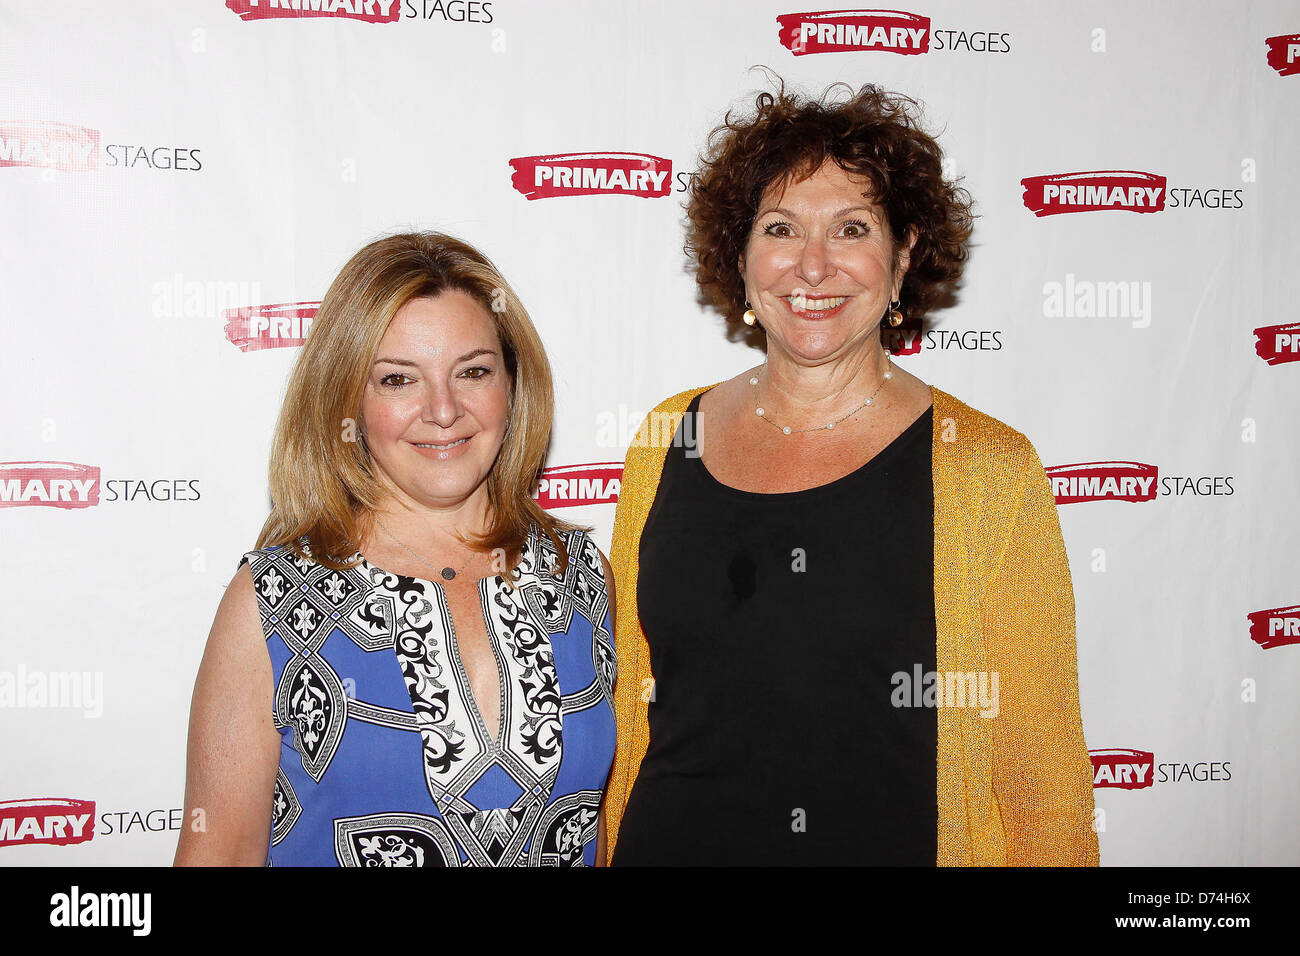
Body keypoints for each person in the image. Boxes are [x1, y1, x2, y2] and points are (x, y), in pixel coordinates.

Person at [602, 82, 1099, 865]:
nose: (813, 264)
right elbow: (633, 728)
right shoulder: (667, 437)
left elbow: (1042, 780)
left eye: (852, 228)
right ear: (740, 256)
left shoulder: (989, 470)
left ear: (902, 259)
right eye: (780, 228)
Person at [175, 232, 617, 867]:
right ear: (347, 399)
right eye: (398, 379)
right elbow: (217, 854)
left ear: (514, 386)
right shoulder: (273, 601)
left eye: (473, 371)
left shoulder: (583, 578)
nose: (443, 410)